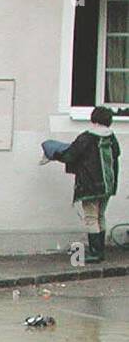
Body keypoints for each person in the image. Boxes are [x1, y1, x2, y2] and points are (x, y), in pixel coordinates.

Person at [48, 105, 121, 262]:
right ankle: (100, 251)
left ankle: (95, 253)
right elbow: (116, 156)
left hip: (90, 185)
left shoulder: (87, 137)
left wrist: (53, 153)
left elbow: (70, 155)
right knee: (101, 216)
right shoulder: (112, 138)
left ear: (93, 119)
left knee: (90, 218)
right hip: (108, 185)